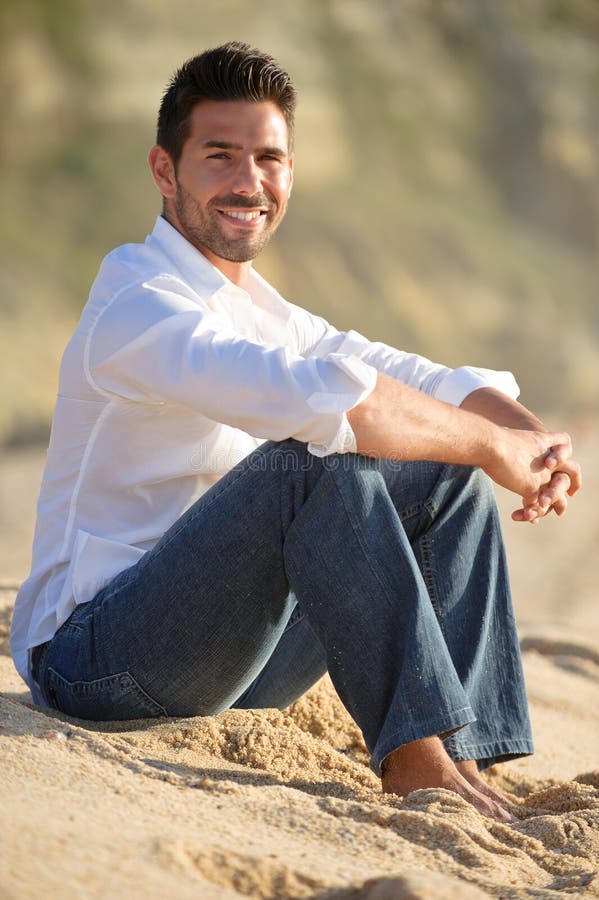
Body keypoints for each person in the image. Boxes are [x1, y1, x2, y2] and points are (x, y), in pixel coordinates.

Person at [11, 41, 580, 823]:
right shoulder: (139, 303)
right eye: (219, 155)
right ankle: (414, 763)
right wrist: (487, 447)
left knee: (440, 477)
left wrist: (526, 436)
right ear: (163, 170)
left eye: (268, 159)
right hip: (100, 664)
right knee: (313, 465)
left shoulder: (266, 311)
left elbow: (400, 372)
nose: (250, 182)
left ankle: (465, 754)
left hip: (235, 663)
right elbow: (332, 402)